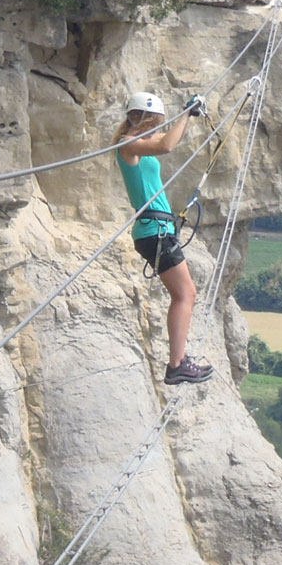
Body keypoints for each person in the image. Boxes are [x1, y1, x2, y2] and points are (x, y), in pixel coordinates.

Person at [114, 91, 214, 385]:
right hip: (153, 232)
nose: (158, 127)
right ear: (143, 120)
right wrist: (187, 113)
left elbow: (162, 145)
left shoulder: (136, 145)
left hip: (158, 229)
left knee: (186, 294)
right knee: (186, 295)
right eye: (155, 122)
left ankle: (179, 362)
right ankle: (177, 364)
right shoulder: (127, 145)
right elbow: (168, 145)